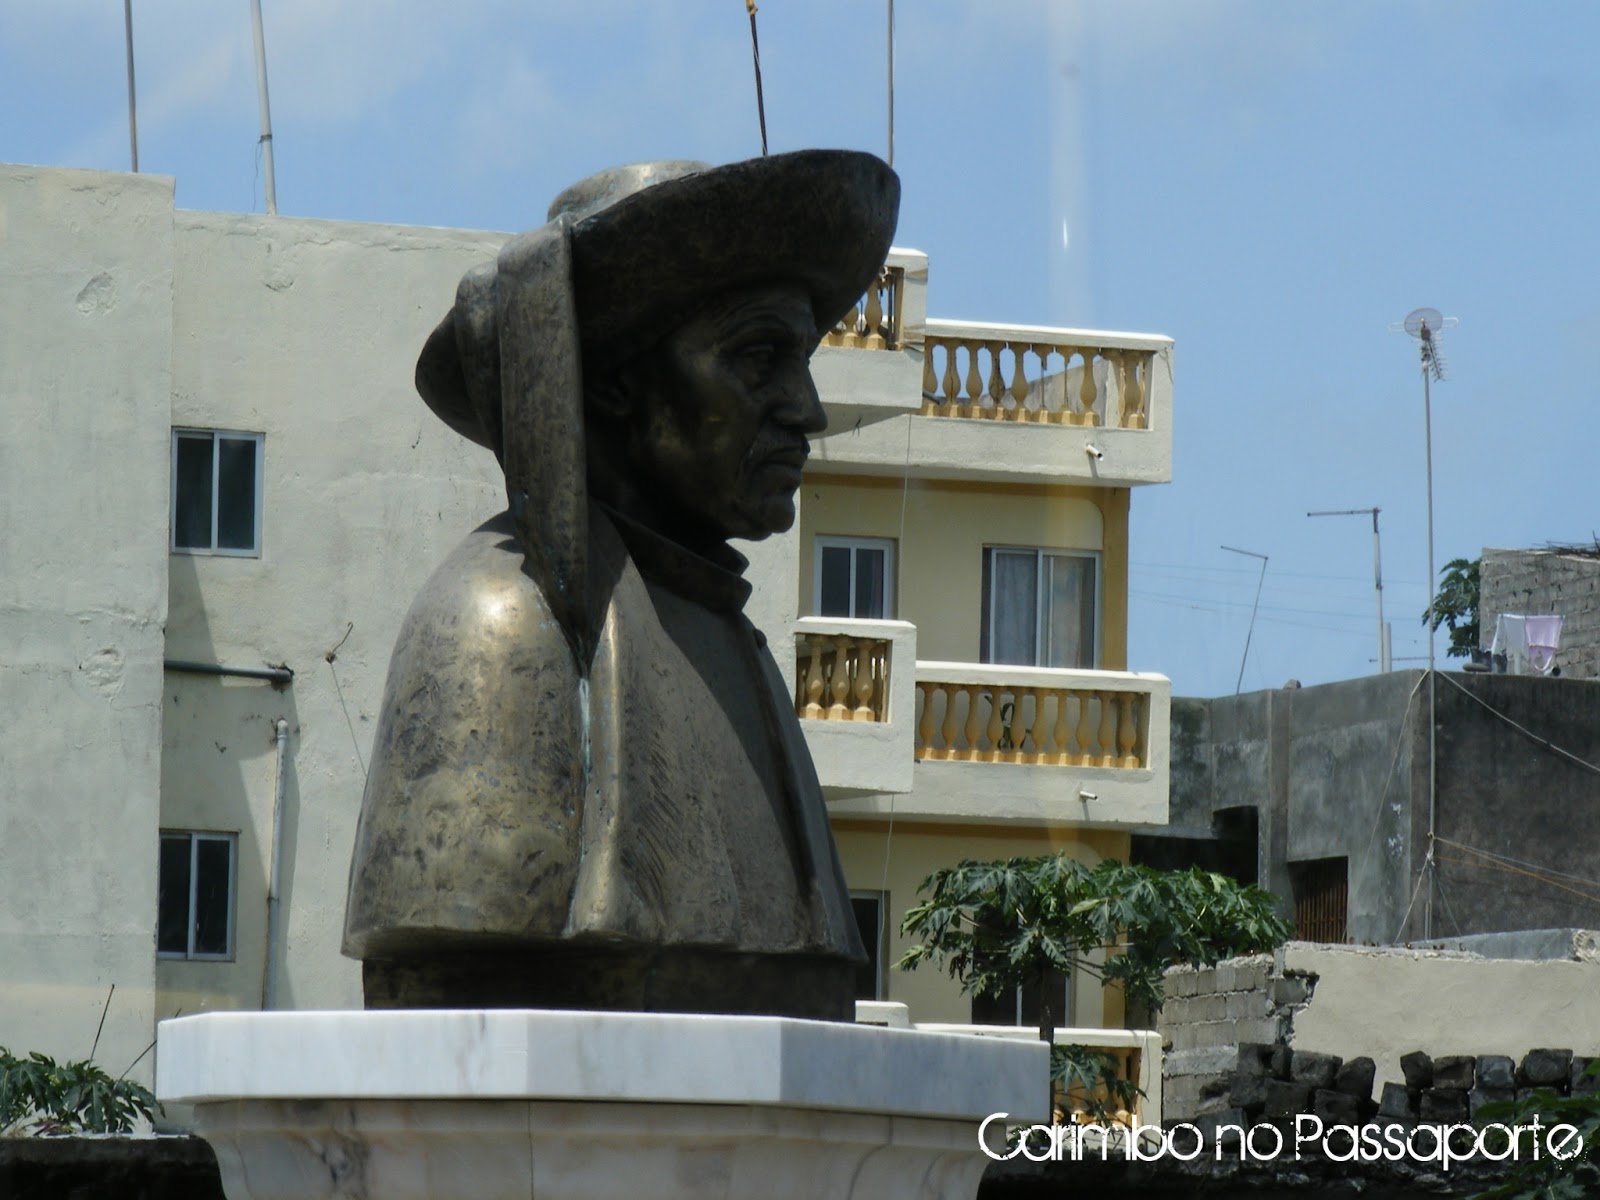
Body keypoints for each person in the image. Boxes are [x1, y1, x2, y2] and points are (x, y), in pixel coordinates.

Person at [342, 151, 900, 1019]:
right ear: (608, 382)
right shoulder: (499, 625)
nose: (807, 409)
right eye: (758, 358)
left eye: (800, 362)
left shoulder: (726, 636)